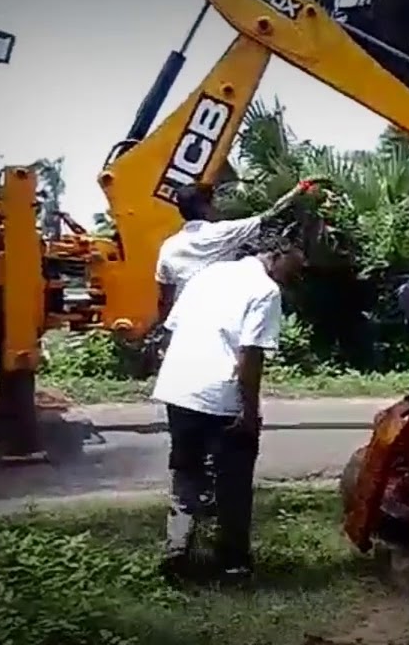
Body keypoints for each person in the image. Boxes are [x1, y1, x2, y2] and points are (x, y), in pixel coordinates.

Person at [153, 227, 308, 586]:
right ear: (278, 251)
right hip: (220, 396)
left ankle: (177, 553)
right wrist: (249, 411)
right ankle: (234, 565)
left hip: (179, 389)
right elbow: (249, 356)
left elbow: (173, 328)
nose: (299, 272)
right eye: (297, 262)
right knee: (233, 484)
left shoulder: (207, 273)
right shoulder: (265, 291)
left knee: (186, 473)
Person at [155, 178, 323, 324]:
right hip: (221, 316)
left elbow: (165, 299)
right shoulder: (224, 232)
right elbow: (272, 214)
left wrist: (164, 328)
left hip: (184, 321)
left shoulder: (169, 247)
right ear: (206, 207)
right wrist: (299, 189)